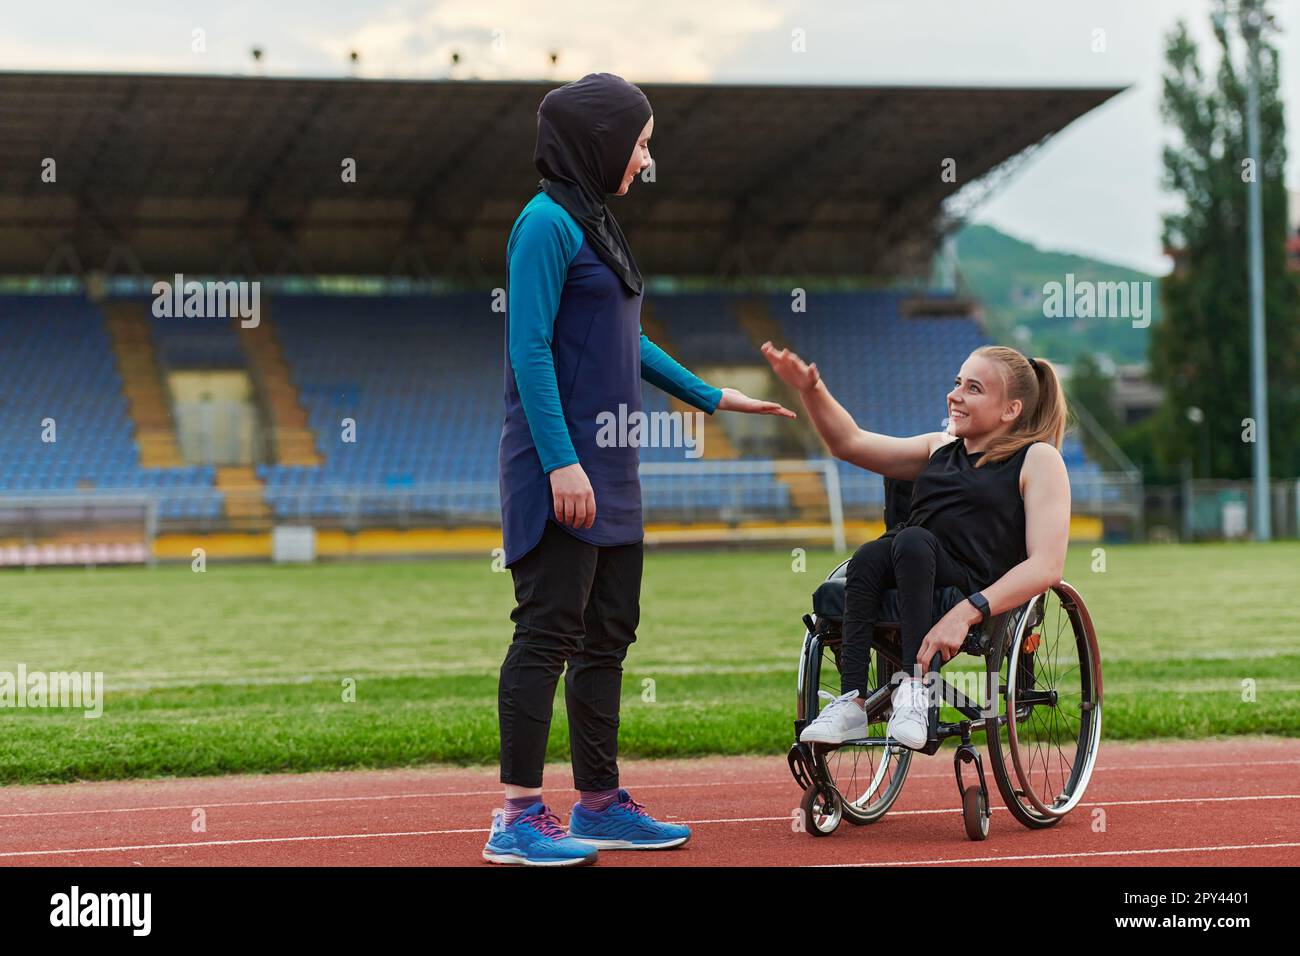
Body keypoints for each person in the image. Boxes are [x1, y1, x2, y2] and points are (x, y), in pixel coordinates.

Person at [484, 73, 795, 866]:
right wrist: (562, 463)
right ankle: (516, 818)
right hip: (563, 469)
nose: (646, 159)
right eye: (641, 142)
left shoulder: (596, 223)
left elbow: (627, 341)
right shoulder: (545, 223)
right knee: (547, 632)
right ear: (599, 142)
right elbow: (529, 348)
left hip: (612, 468)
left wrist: (710, 395)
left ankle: (598, 806)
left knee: (606, 639)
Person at [762, 341, 1071, 751]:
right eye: (957, 383)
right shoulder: (937, 447)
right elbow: (849, 444)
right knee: (871, 554)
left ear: (1010, 410)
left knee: (910, 540)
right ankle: (852, 700)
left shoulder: (1038, 459)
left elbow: (1047, 566)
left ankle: (914, 689)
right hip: (913, 564)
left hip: (975, 585)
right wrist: (811, 388)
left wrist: (966, 612)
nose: (954, 394)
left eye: (973, 388)